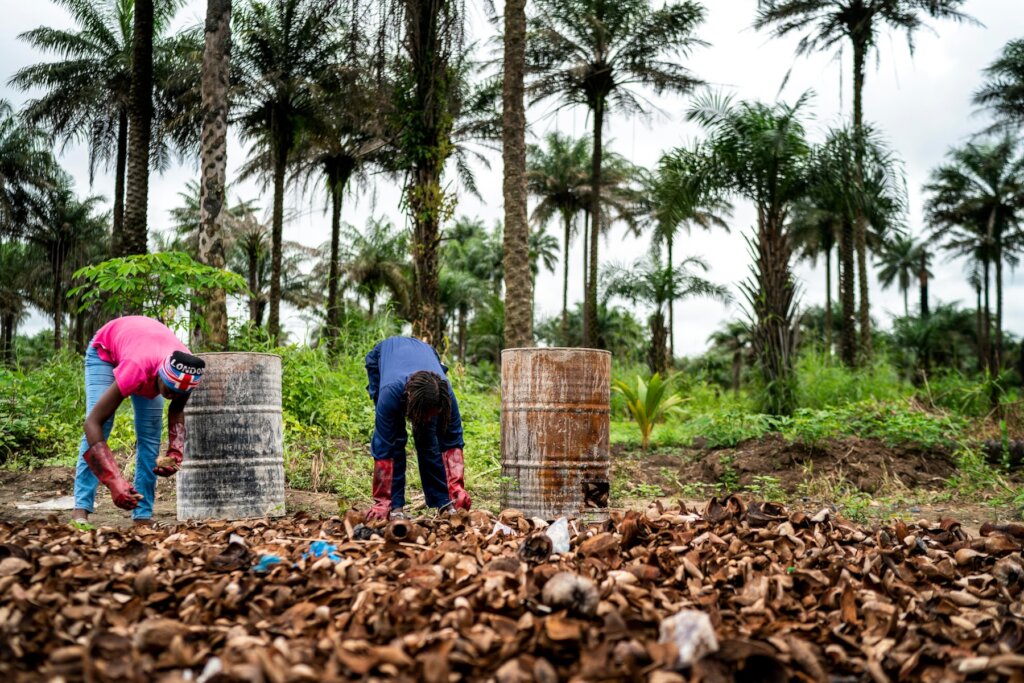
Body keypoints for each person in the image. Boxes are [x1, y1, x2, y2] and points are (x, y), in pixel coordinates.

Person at [71, 316, 205, 527]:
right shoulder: (138, 369)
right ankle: (81, 511)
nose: (171, 395)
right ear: (160, 376)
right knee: (102, 426)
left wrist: (176, 451)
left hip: (143, 349)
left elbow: (177, 408)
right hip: (106, 351)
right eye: (168, 390)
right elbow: (92, 423)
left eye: (177, 393)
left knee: (150, 436)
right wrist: (114, 480)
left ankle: (142, 515)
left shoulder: (187, 370)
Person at [364, 336, 471, 521]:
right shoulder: (390, 394)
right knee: (394, 440)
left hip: (425, 352)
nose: (430, 418)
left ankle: (443, 501)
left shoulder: (445, 394)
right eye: (426, 414)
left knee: (428, 441)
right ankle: (394, 506)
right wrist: (382, 500)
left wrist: (456, 488)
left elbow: (452, 439)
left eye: (433, 414)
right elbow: (384, 447)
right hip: (385, 355)